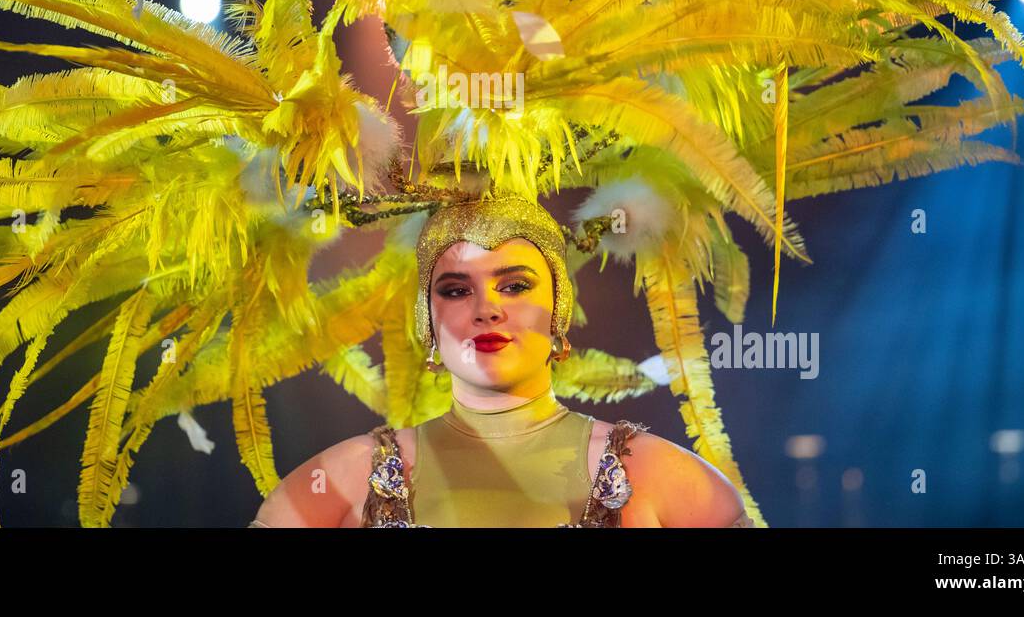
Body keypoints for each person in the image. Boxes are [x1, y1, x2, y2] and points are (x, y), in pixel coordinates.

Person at [251, 196, 756, 528]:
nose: (487, 308)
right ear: (428, 320)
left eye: (515, 286)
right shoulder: (344, 477)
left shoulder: (661, 477)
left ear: (558, 309)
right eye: (455, 289)